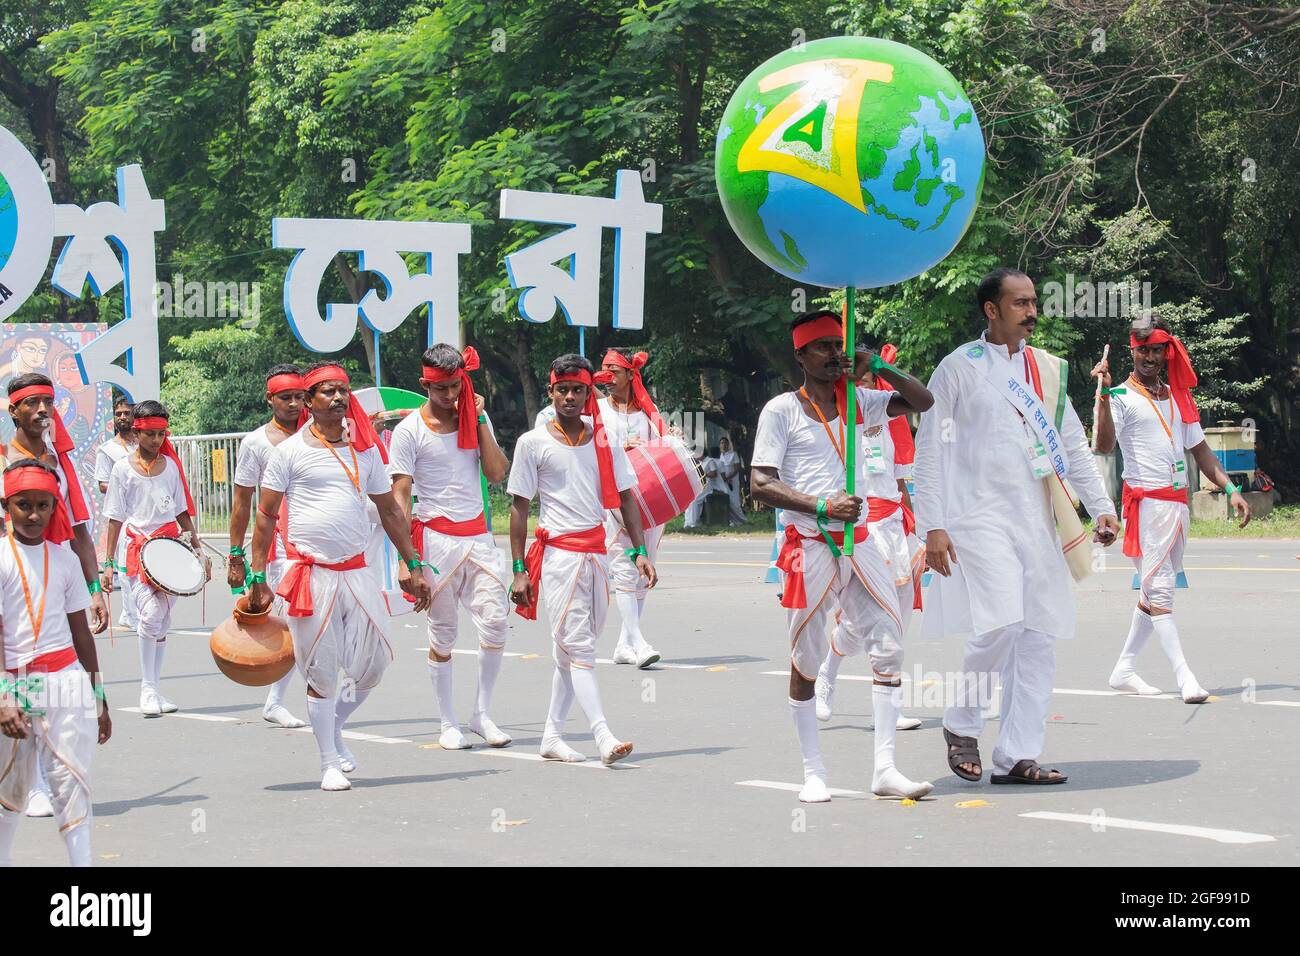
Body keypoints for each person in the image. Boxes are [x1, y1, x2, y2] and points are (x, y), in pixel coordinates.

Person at [914, 268, 1120, 785]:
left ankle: (1016, 755)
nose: (1031, 312)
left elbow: (1071, 443)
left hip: (1036, 519)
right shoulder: (958, 367)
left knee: (1037, 635)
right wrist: (932, 525)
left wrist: (1101, 505)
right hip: (976, 517)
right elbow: (929, 449)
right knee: (1002, 621)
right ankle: (961, 725)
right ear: (992, 309)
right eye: (1020, 303)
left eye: (1033, 302)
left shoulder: (1046, 371)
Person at [751, 310, 935, 803]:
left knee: (890, 640)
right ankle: (814, 771)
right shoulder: (781, 410)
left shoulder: (862, 400)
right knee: (804, 659)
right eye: (824, 347)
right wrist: (819, 505)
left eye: (840, 345)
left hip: (862, 538)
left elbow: (922, 400)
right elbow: (761, 483)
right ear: (800, 356)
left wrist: (878, 364)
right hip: (811, 542)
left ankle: (885, 768)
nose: (835, 354)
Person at [245, 363, 430, 791]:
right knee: (323, 672)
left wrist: (413, 564)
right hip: (310, 575)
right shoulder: (288, 453)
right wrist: (257, 572)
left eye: (344, 390)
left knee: (375, 663)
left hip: (357, 573)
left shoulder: (364, 452)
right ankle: (328, 760)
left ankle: (333, 727)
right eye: (328, 392)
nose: (339, 398)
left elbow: (389, 511)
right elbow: (266, 515)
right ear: (309, 402)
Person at [1092, 314, 1250, 702]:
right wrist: (1102, 398)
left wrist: (1230, 488)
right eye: (1142, 349)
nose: (1150, 355)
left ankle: (1124, 670)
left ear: (1165, 351)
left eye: (1156, 349)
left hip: (1178, 509)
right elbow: (1104, 445)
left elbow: (1199, 450)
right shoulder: (1122, 398)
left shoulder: (1178, 395)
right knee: (1161, 591)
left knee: (1152, 593)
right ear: (1133, 350)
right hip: (1146, 509)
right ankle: (1185, 678)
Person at [507, 354, 655, 764]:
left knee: (570, 653)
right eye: (562, 389)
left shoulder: (605, 439)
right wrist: (518, 570)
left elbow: (626, 495)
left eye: (578, 390)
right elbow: (519, 507)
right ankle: (602, 735)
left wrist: (639, 551)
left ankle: (551, 737)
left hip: (598, 555)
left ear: (590, 393)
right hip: (557, 559)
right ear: (551, 391)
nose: (570, 397)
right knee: (580, 649)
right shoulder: (531, 443)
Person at [390, 344, 513, 750]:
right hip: (436, 540)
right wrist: (408, 561)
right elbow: (401, 498)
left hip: (478, 536)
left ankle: (482, 714)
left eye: (456, 386)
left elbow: (497, 474)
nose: (449, 396)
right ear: (425, 384)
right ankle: (448, 722)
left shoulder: (474, 417)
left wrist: (477, 418)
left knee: (495, 621)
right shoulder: (410, 430)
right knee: (443, 634)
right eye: (441, 388)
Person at [0, 460, 111, 866]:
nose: (33, 515)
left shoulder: (64, 559)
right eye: (23, 505)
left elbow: (81, 632)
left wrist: (98, 695)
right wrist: (5, 696)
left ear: (54, 507)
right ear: (5, 505)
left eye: (42, 505)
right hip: (13, 684)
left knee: (73, 783)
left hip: (66, 683)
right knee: (9, 789)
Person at [816, 344, 925, 733]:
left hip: (896, 523)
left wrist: (919, 530)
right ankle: (827, 674)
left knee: (900, 616)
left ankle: (890, 704)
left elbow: (900, 479)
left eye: (868, 377)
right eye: (856, 378)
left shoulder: (885, 414)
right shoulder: (836, 421)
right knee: (867, 622)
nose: (863, 384)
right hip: (862, 528)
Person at [101, 400, 204, 717]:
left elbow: (180, 511)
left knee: (163, 619)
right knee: (150, 615)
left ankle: (156, 689)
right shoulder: (121, 469)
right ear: (136, 431)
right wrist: (106, 566)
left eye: (161, 434)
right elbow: (115, 518)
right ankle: (147, 688)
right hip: (137, 549)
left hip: (169, 550)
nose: (156, 441)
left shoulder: (170, 467)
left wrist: (197, 548)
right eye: (150, 434)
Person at [227, 365, 309, 729]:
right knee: (291, 622)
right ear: (269, 399)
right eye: (285, 397)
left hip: (318, 541)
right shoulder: (255, 443)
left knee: (316, 622)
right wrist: (236, 555)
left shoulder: (319, 433)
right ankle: (276, 700)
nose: (293, 404)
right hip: (278, 548)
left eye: (298, 397)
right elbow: (242, 501)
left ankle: (308, 694)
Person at [598, 348, 666, 668]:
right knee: (625, 567)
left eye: (615, 372)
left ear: (629, 375)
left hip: (648, 504)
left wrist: (669, 440)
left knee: (643, 572)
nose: (608, 378)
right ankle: (638, 644)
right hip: (613, 503)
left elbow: (663, 453)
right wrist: (624, 447)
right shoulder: (595, 411)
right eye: (604, 371)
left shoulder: (648, 415)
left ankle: (625, 644)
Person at [715, 437, 747, 526]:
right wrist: (724, 479)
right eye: (721, 443)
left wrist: (729, 477)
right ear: (719, 445)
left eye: (725, 443)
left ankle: (741, 521)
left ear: (728, 445)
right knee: (728, 501)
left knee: (735, 501)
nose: (723, 445)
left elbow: (737, 468)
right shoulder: (720, 456)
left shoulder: (734, 454)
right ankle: (732, 521)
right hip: (724, 482)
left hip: (733, 481)